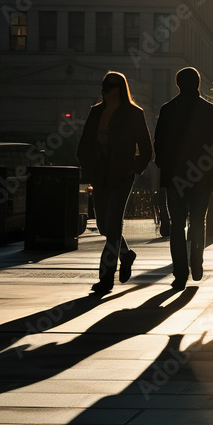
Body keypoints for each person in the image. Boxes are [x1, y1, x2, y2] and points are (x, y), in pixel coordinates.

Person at [76, 71, 153, 294]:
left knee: (113, 225)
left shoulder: (133, 113)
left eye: (113, 86)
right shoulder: (96, 112)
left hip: (121, 177)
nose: (109, 89)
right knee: (103, 225)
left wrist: (133, 169)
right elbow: (83, 146)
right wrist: (90, 170)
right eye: (106, 86)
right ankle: (126, 255)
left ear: (121, 88)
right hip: (100, 176)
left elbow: (146, 149)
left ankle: (106, 277)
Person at [153, 66, 213, 290]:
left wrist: (163, 165)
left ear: (178, 84)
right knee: (198, 221)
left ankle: (180, 271)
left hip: (175, 176)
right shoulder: (209, 110)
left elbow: (159, 143)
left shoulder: (167, 109)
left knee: (177, 224)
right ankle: (197, 262)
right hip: (201, 176)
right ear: (198, 84)